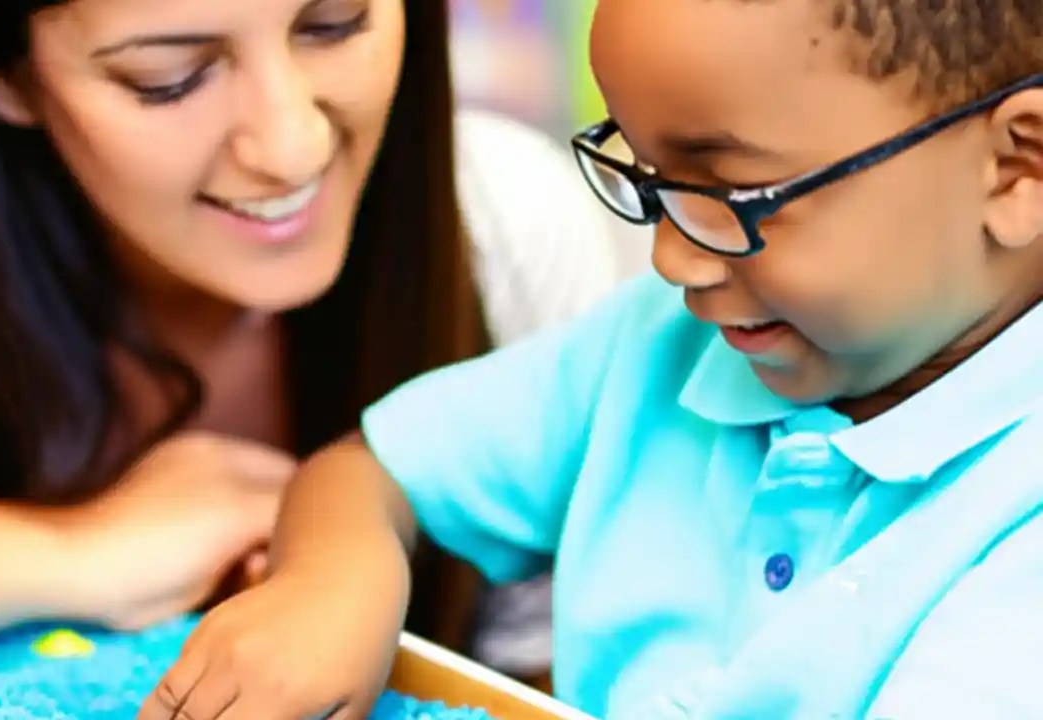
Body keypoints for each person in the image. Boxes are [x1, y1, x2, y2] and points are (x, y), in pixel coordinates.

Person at [144, 0, 1043, 717]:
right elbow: (373, 469)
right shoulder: (656, 344)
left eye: (735, 194)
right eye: (646, 177)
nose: (671, 259)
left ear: (1018, 168)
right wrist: (328, 584)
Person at [0, 0, 650, 668]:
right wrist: (79, 554)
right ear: (0, 71)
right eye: (170, 75)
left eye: (336, 23)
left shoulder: (509, 229)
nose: (291, 144)